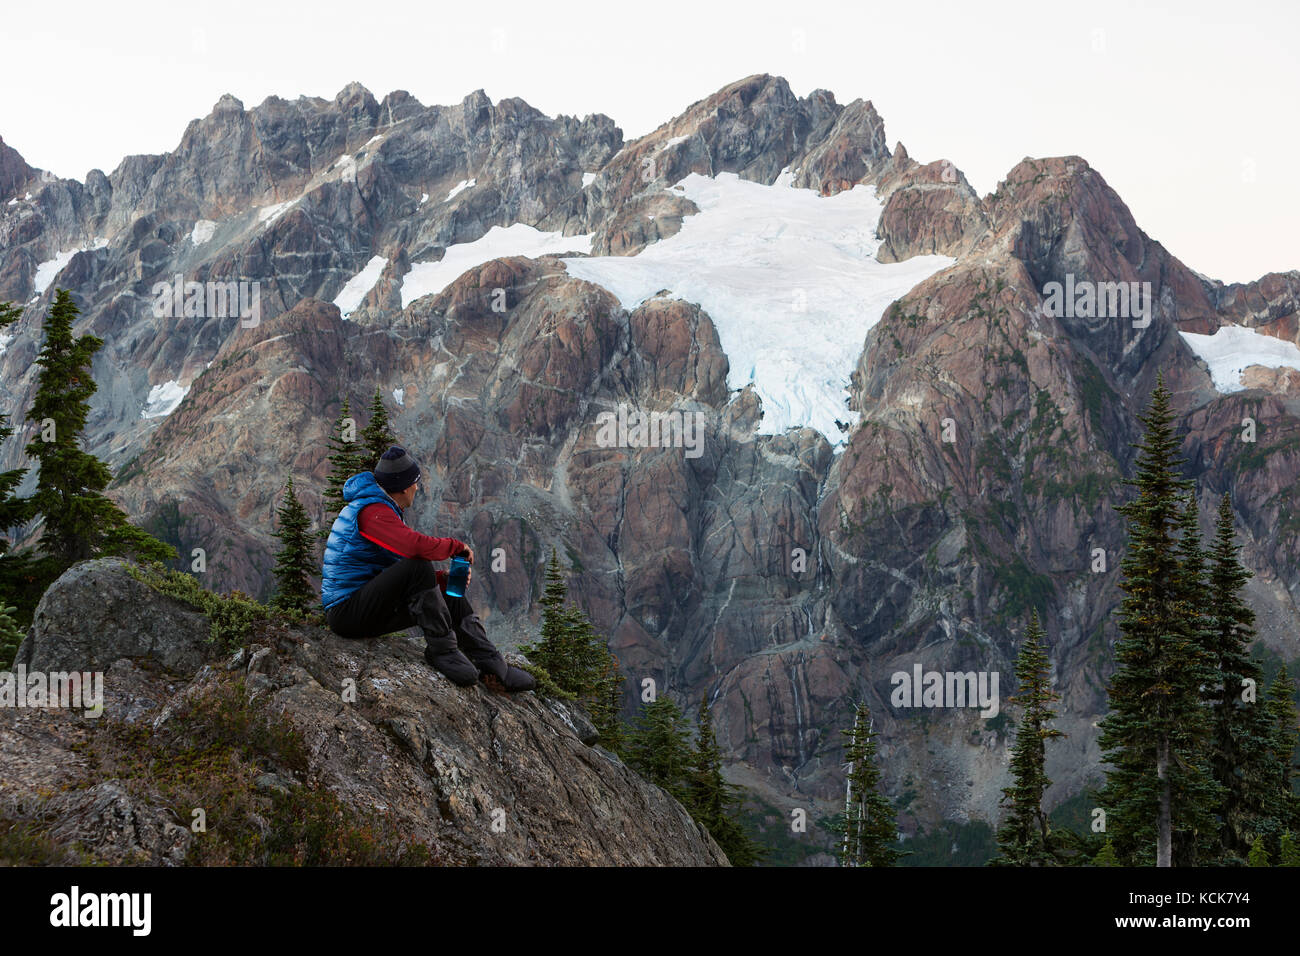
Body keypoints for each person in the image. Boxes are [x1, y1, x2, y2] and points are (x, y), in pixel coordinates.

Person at [321, 445, 535, 692]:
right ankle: (442, 652)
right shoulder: (371, 511)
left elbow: (390, 573)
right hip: (346, 613)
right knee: (418, 564)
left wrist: (438, 580)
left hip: (365, 605)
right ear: (402, 486)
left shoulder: (382, 508)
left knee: (446, 589)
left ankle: (491, 663)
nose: (417, 488)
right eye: (415, 482)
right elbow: (414, 548)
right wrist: (455, 547)